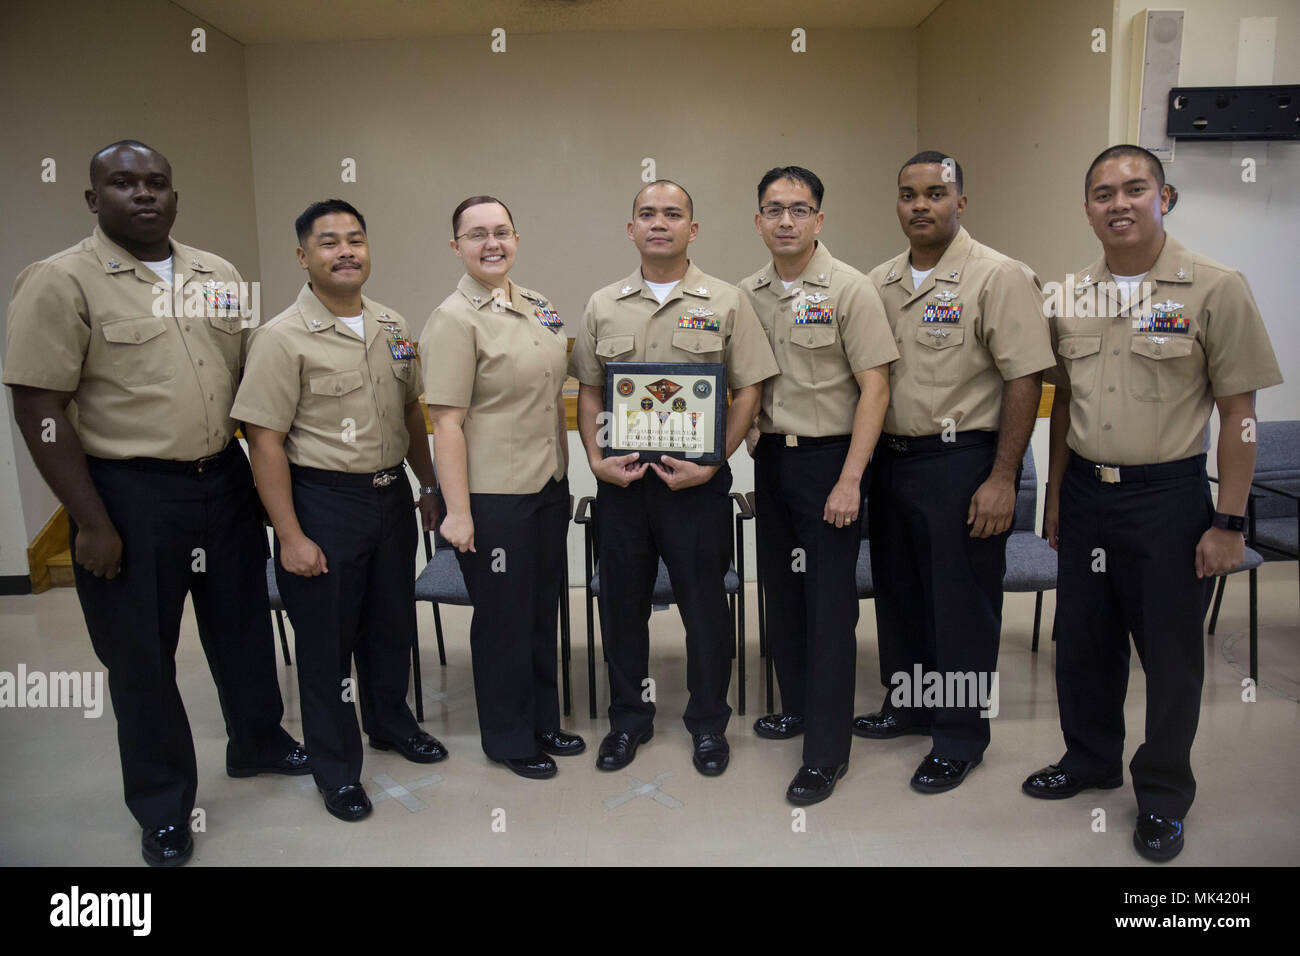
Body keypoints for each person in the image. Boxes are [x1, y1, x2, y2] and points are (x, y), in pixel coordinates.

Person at [3, 140, 307, 867]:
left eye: (157, 183)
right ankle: (165, 803)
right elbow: (39, 406)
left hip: (222, 479)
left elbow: (248, 379)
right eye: (123, 183)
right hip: (128, 495)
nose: (143, 195)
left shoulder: (217, 273)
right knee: (141, 658)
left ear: (175, 195)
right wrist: (92, 521)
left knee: (242, 627)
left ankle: (257, 741)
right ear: (92, 199)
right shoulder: (61, 281)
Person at [1023, 145, 1282, 862]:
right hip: (1085, 495)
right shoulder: (1069, 295)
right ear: (1087, 210)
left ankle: (1163, 793)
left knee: (1170, 658)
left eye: (1136, 189)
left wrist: (1229, 521)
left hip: (1168, 499)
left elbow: (1240, 415)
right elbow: (1064, 401)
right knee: (1083, 646)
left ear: (1164, 198)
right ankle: (1091, 759)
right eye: (1103, 193)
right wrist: (1053, 498)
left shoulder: (1214, 287)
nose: (1119, 203)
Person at [232, 199, 445, 823]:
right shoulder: (279, 338)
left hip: (389, 497)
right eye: (329, 242)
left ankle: (391, 723)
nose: (345, 250)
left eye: (356, 238)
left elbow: (412, 415)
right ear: (304, 257)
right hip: (322, 502)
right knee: (326, 648)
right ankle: (336, 769)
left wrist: (427, 486)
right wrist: (290, 535)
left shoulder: (392, 325)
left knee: (389, 626)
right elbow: (263, 441)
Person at [855, 151, 1055, 793]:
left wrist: (1003, 479)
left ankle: (960, 735)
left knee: (962, 606)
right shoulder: (878, 282)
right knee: (902, 595)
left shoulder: (999, 276)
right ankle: (910, 703)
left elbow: (1025, 377)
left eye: (936, 193)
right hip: (893, 463)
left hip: (964, 462)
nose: (921, 205)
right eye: (909, 194)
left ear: (960, 202)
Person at [569, 180, 779, 776]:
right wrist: (594, 458)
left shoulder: (727, 301)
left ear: (694, 228)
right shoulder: (601, 304)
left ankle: (709, 724)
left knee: (706, 609)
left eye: (673, 214)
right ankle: (628, 720)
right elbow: (588, 391)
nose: (659, 223)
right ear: (631, 228)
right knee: (622, 607)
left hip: (697, 487)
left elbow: (750, 390)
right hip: (623, 485)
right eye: (646, 214)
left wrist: (716, 460)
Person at [741, 166, 895, 805]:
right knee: (784, 598)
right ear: (758, 221)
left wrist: (851, 478)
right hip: (774, 462)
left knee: (831, 612)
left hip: (833, 463)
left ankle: (826, 754)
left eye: (798, 210)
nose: (785, 221)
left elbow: (876, 388)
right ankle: (800, 708)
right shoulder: (746, 292)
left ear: (818, 219)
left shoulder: (850, 289)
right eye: (773, 210)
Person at [421, 196, 582, 779]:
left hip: (545, 488)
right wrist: (456, 513)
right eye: (477, 234)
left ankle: (543, 720)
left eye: (502, 232)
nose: (493, 243)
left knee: (541, 611)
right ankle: (510, 739)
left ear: (517, 237)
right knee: (503, 622)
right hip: (492, 500)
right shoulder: (453, 319)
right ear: (456, 246)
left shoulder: (537, 307)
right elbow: (446, 424)